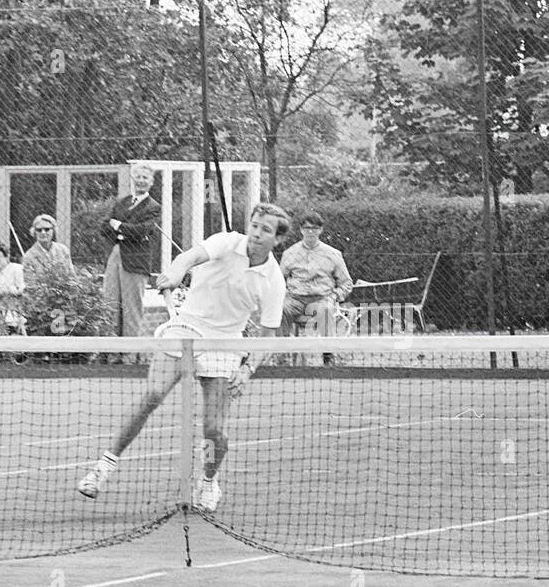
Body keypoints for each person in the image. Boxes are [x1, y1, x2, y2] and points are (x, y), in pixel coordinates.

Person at [77, 203, 290, 512]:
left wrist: (247, 370)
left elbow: (268, 335)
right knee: (152, 394)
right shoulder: (227, 241)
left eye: (265, 230)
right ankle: (101, 470)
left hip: (225, 344)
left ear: (277, 240)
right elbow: (189, 257)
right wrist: (176, 274)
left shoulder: (273, 280)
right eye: (255, 225)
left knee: (213, 428)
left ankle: (208, 482)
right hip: (185, 328)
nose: (256, 233)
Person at [101, 162, 162, 355]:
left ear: (151, 182)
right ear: (133, 179)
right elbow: (104, 227)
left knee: (131, 308)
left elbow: (143, 230)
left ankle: (129, 356)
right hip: (116, 255)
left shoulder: (153, 207)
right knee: (110, 304)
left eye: (145, 177)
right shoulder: (122, 203)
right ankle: (111, 354)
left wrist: (118, 226)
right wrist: (124, 231)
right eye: (138, 177)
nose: (141, 181)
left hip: (136, 261)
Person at [279, 211, 353, 357]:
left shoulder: (333, 254)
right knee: (280, 309)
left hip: (322, 298)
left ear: (320, 230)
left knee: (325, 310)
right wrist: (282, 295)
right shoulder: (289, 253)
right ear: (301, 230)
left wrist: (334, 296)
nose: (310, 231)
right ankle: (282, 356)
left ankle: (328, 356)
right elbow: (279, 280)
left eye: (314, 228)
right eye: (306, 228)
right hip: (295, 299)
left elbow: (347, 283)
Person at [23, 214, 73, 283]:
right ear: (34, 232)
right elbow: (30, 284)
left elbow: (71, 276)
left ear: (53, 230)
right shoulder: (28, 257)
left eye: (47, 229)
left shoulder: (63, 250)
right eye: (39, 230)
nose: (43, 233)